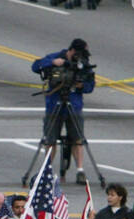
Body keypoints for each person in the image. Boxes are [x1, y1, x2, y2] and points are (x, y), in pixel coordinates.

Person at [30, 38, 95, 184]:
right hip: (54, 106)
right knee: (50, 139)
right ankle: (47, 171)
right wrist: (52, 63)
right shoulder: (56, 56)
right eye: (78, 53)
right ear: (71, 50)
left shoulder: (83, 64)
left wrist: (81, 86)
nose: (80, 56)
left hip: (74, 106)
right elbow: (35, 66)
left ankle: (80, 170)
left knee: (77, 139)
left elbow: (90, 85)